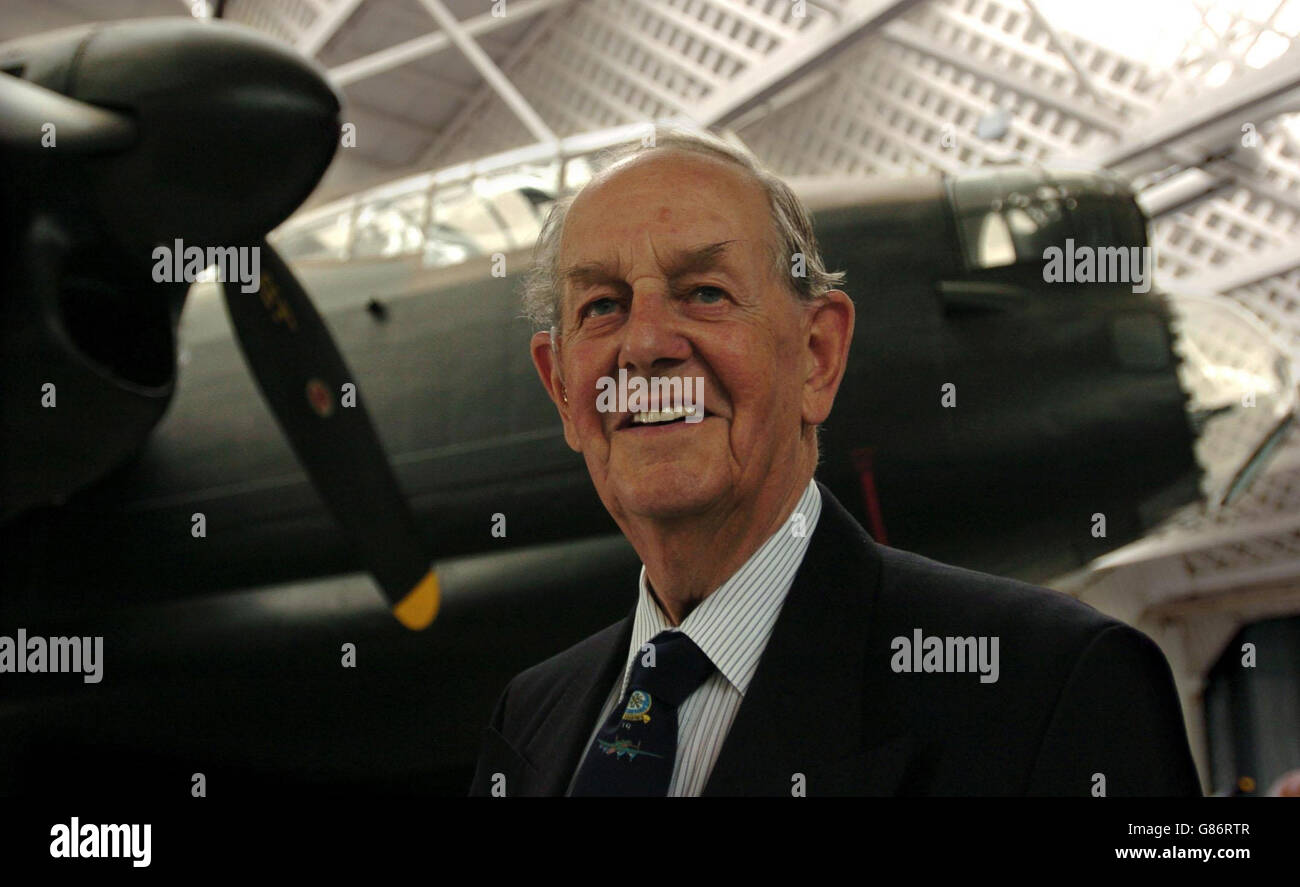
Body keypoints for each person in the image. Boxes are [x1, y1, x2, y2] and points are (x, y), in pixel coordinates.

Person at [469, 128, 1201, 796]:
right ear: (562, 390)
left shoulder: (1054, 685)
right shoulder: (530, 721)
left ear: (818, 356)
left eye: (706, 293)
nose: (645, 344)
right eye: (602, 306)